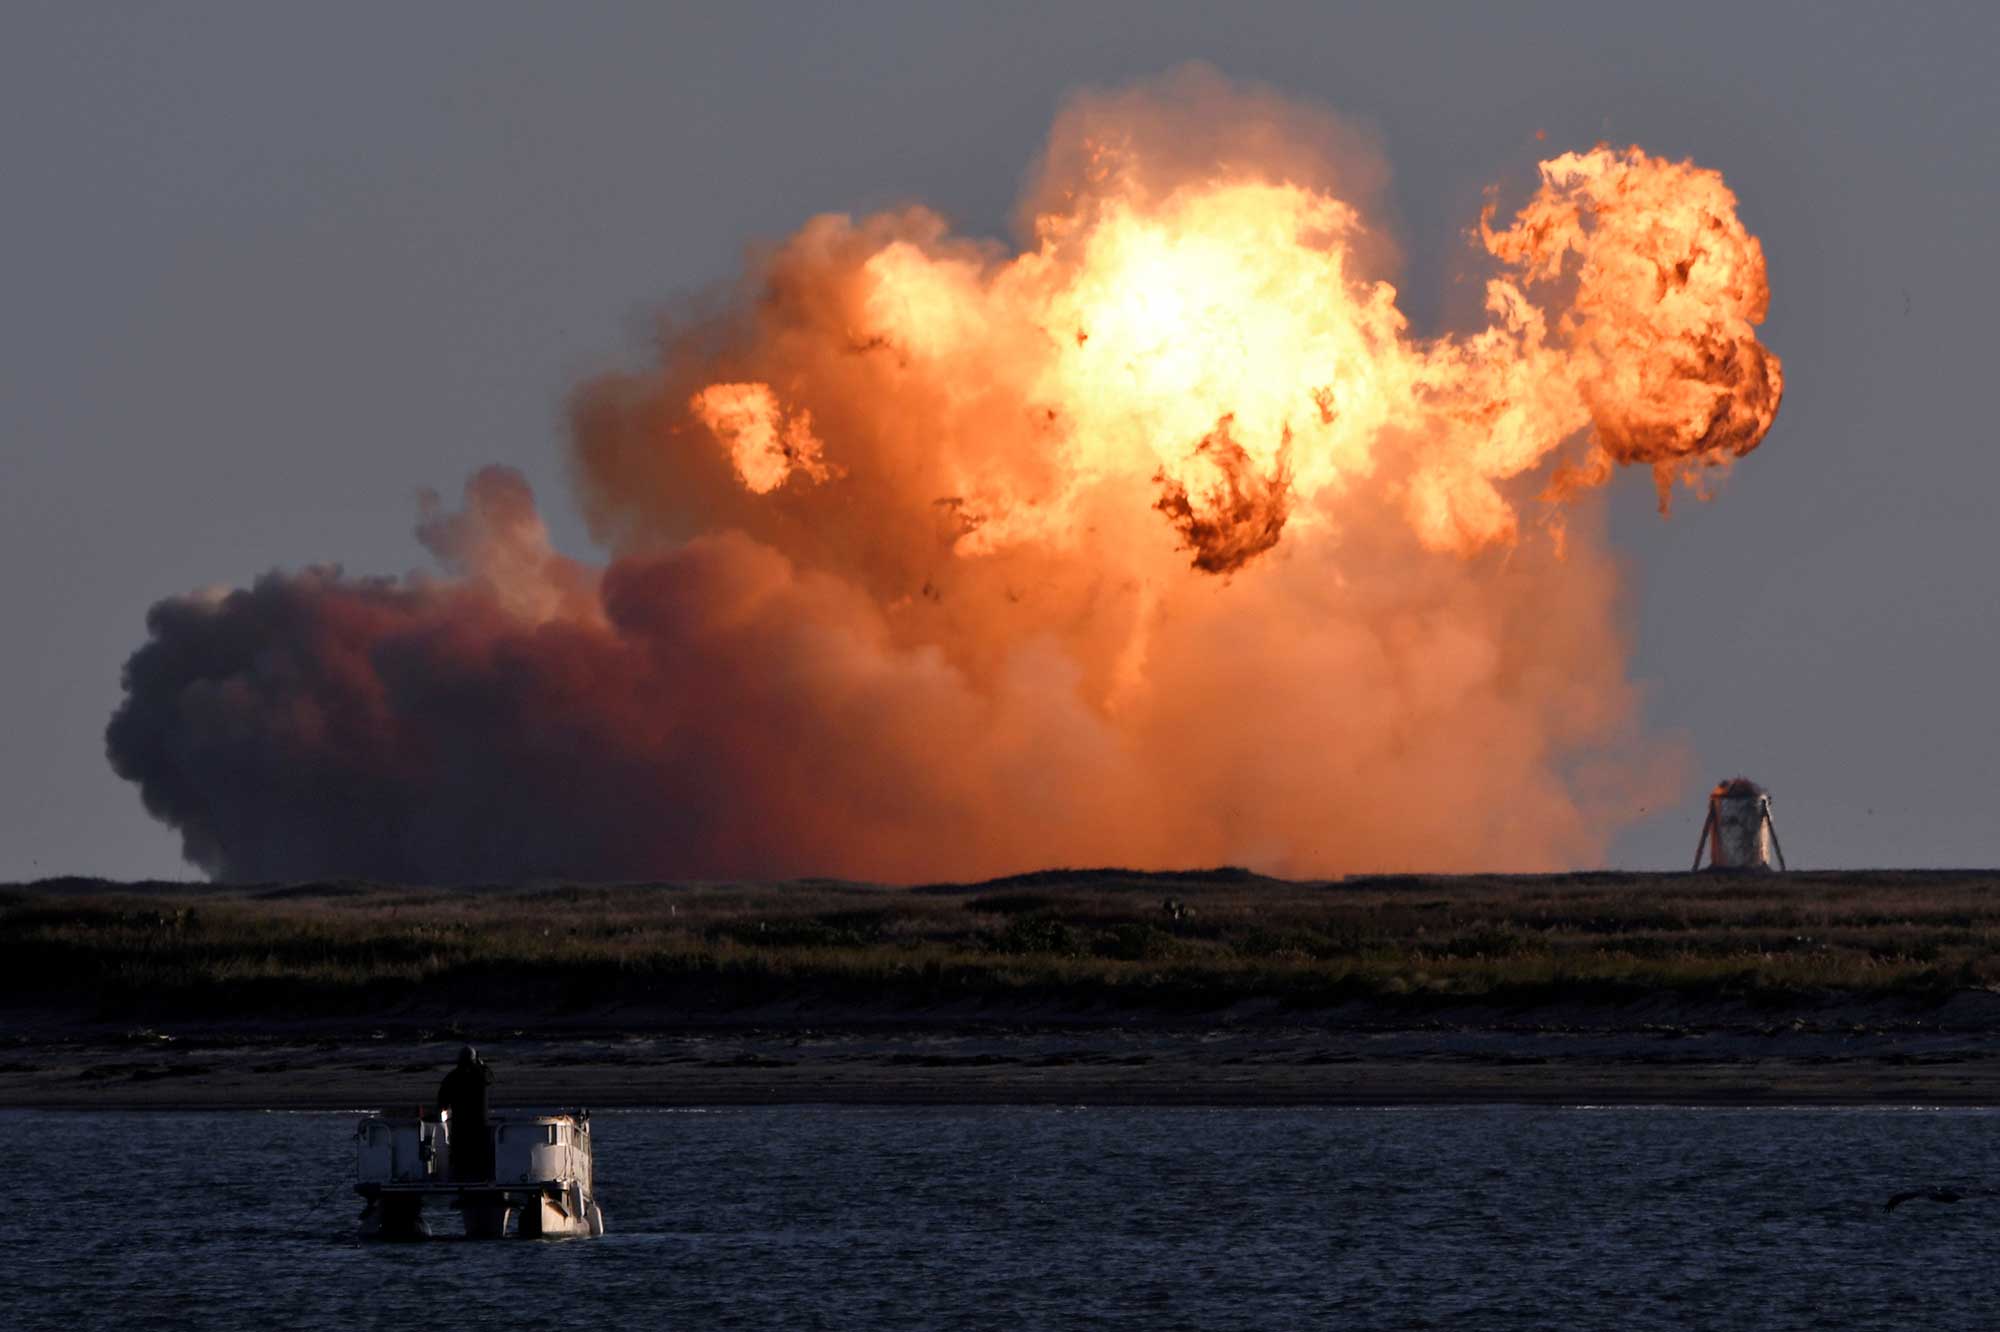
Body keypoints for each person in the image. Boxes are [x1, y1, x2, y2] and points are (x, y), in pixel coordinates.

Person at [436, 1045, 494, 1181]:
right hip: (479, 1124)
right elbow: (490, 1077)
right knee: (479, 1155)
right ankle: (480, 1179)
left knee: (460, 1156)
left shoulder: (452, 1077)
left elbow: (442, 1099)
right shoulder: (480, 1075)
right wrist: (482, 1064)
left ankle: (460, 1180)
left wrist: (442, 1111)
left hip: (460, 1124)